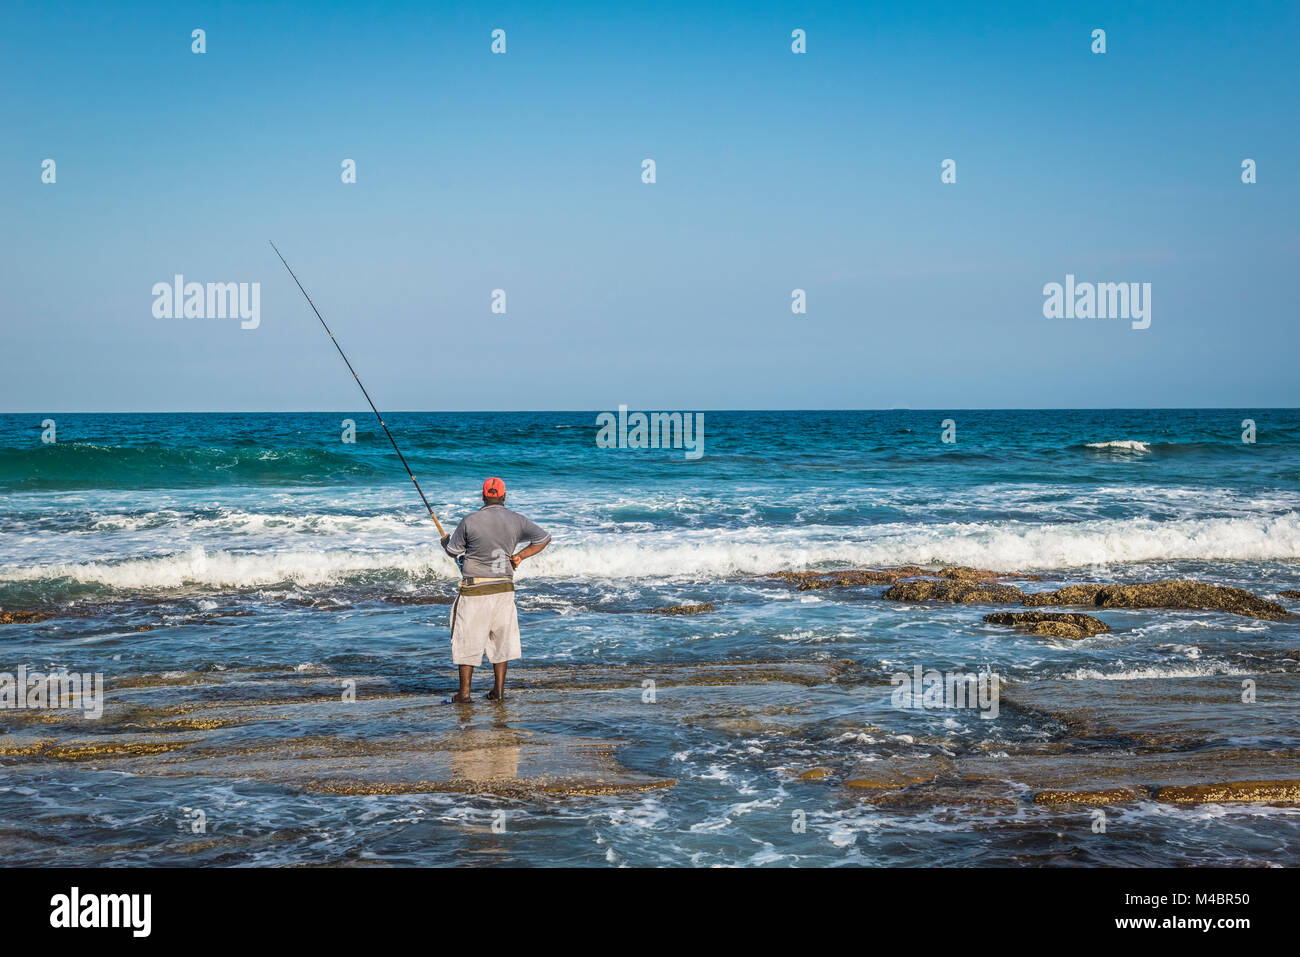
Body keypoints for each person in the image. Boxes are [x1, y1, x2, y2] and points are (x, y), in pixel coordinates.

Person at [440, 477, 551, 702]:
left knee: (467, 639)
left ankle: (464, 694)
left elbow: (453, 552)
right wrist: (519, 556)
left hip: (475, 590)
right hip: (504, 588)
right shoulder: (517, 520)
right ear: (503, 496)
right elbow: (544, 538)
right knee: (501, 639)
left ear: (483, 496)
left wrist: (446, 544)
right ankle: (498, 691)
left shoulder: (470, 520)